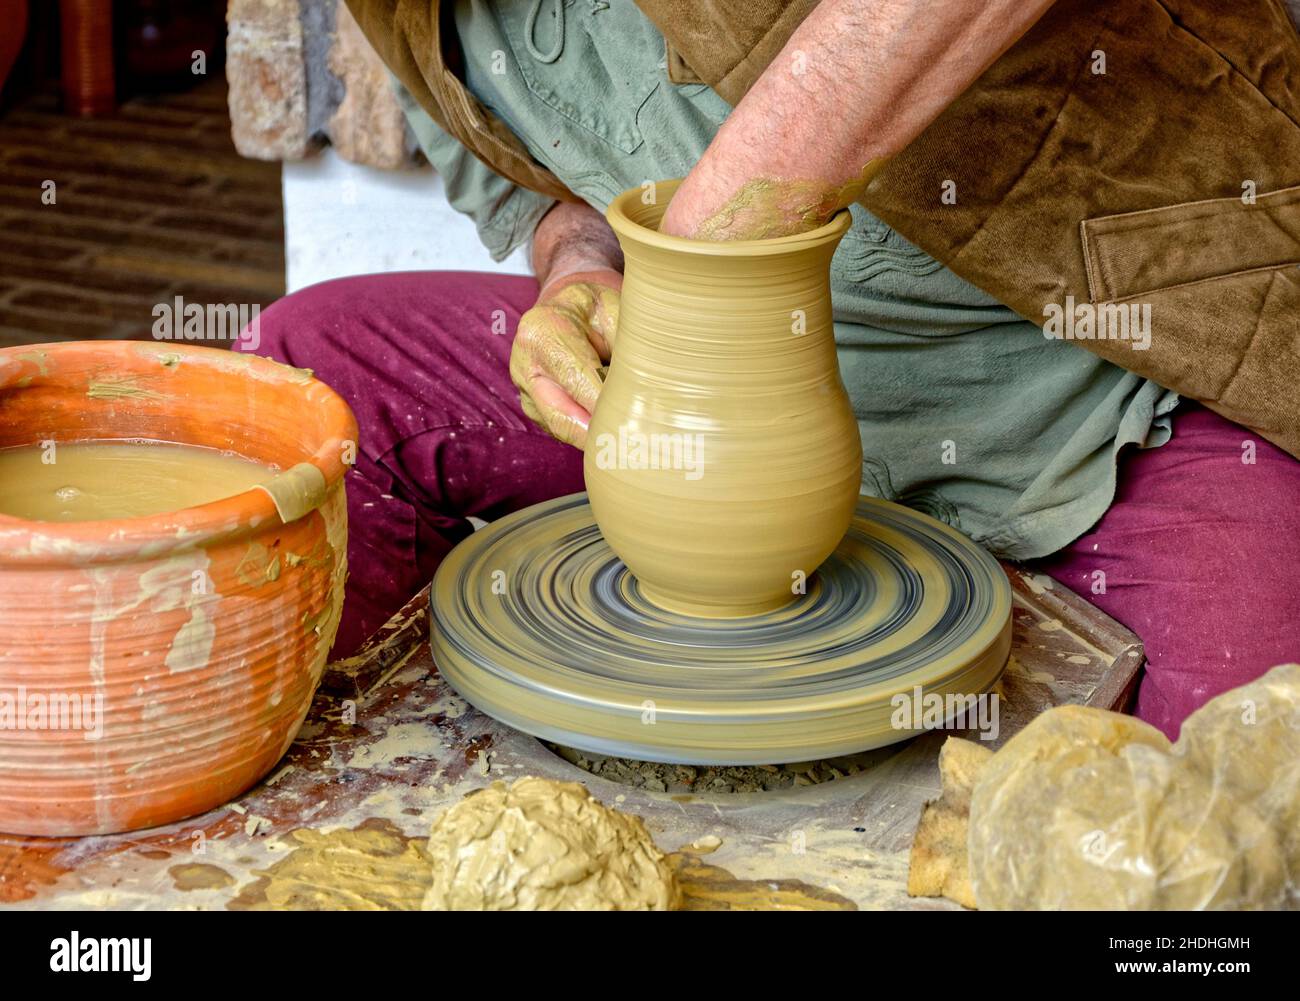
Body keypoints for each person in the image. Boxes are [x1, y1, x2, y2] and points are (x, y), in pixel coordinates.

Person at [243, 0, 1300, 739]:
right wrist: (580, 264)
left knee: (1245, 768)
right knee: (311, 387)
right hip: (682, 397)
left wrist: (720, 227)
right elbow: (525, 173)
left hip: (1086, 384)